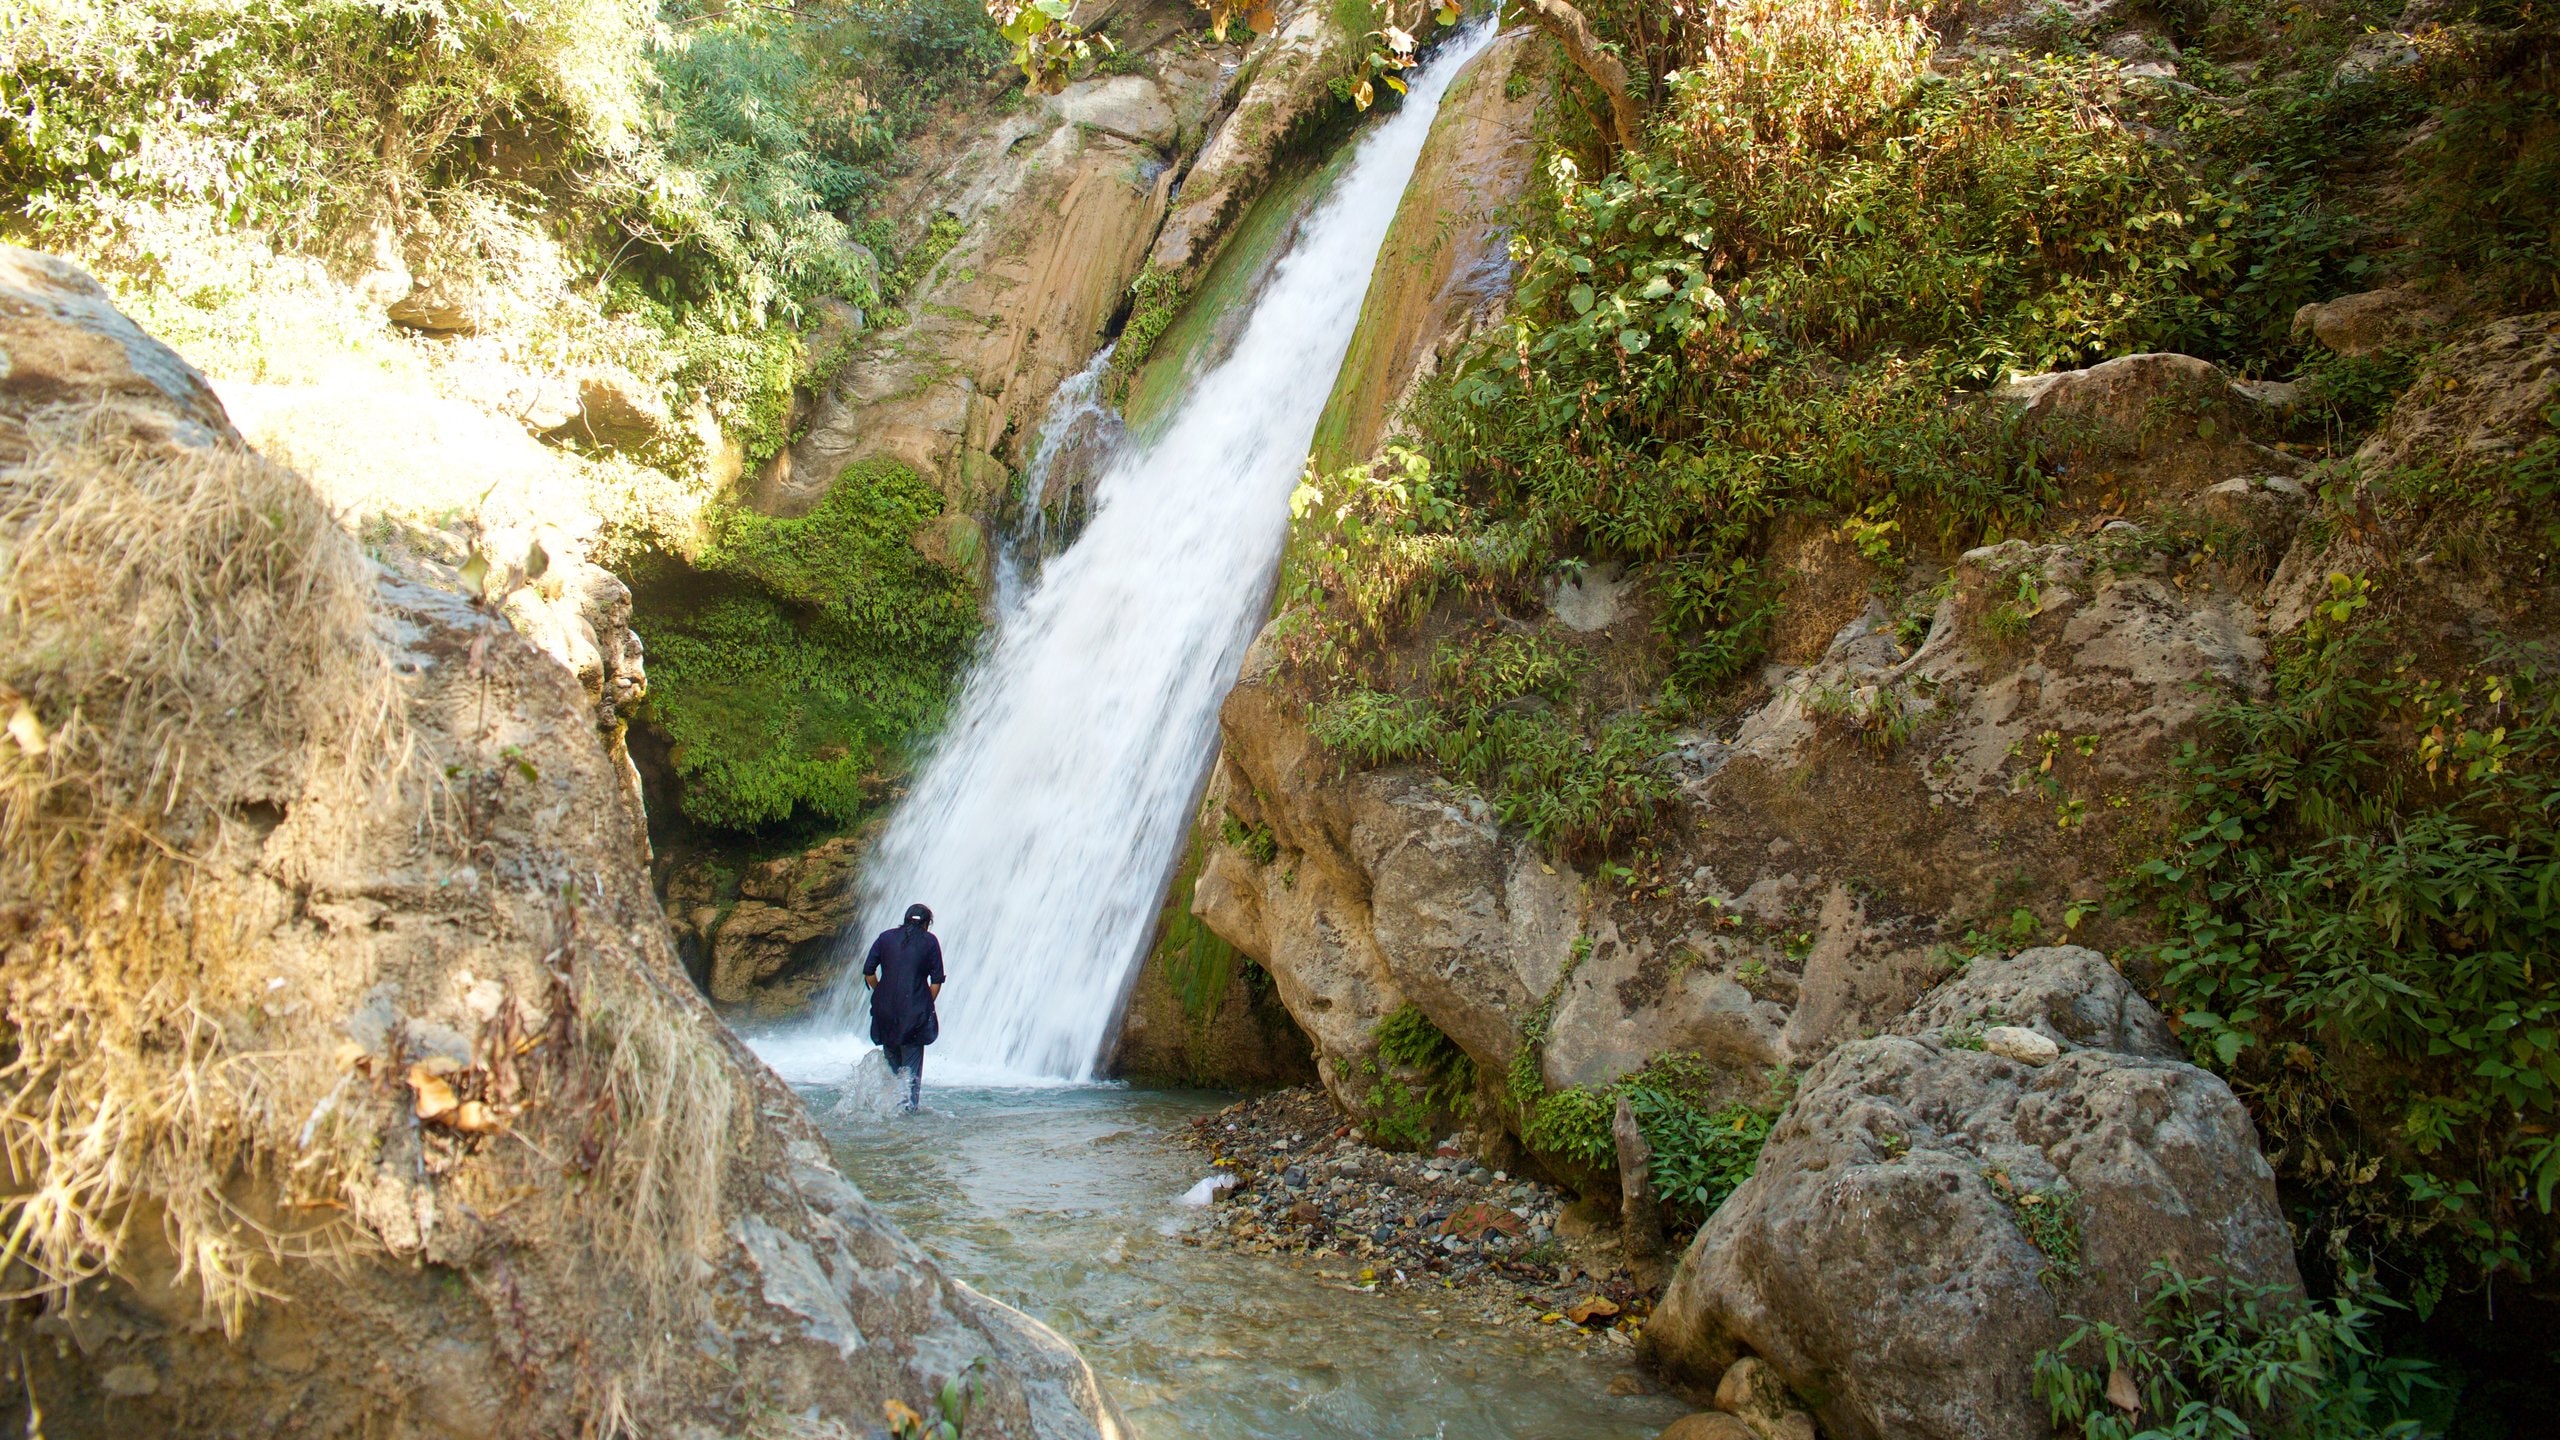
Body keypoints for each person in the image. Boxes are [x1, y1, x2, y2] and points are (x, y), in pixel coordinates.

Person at [863, 903, 943, 1111]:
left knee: (892, 1069)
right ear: (927, 924)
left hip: (885, 1011)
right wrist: (925, 1003)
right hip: (914, 1013)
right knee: (911, 1075)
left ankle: (887, 1111)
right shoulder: (930, 941)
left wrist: (881, 992)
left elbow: (869, 972)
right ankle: (907, 1116)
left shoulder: (885, 938)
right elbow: (936, 981)